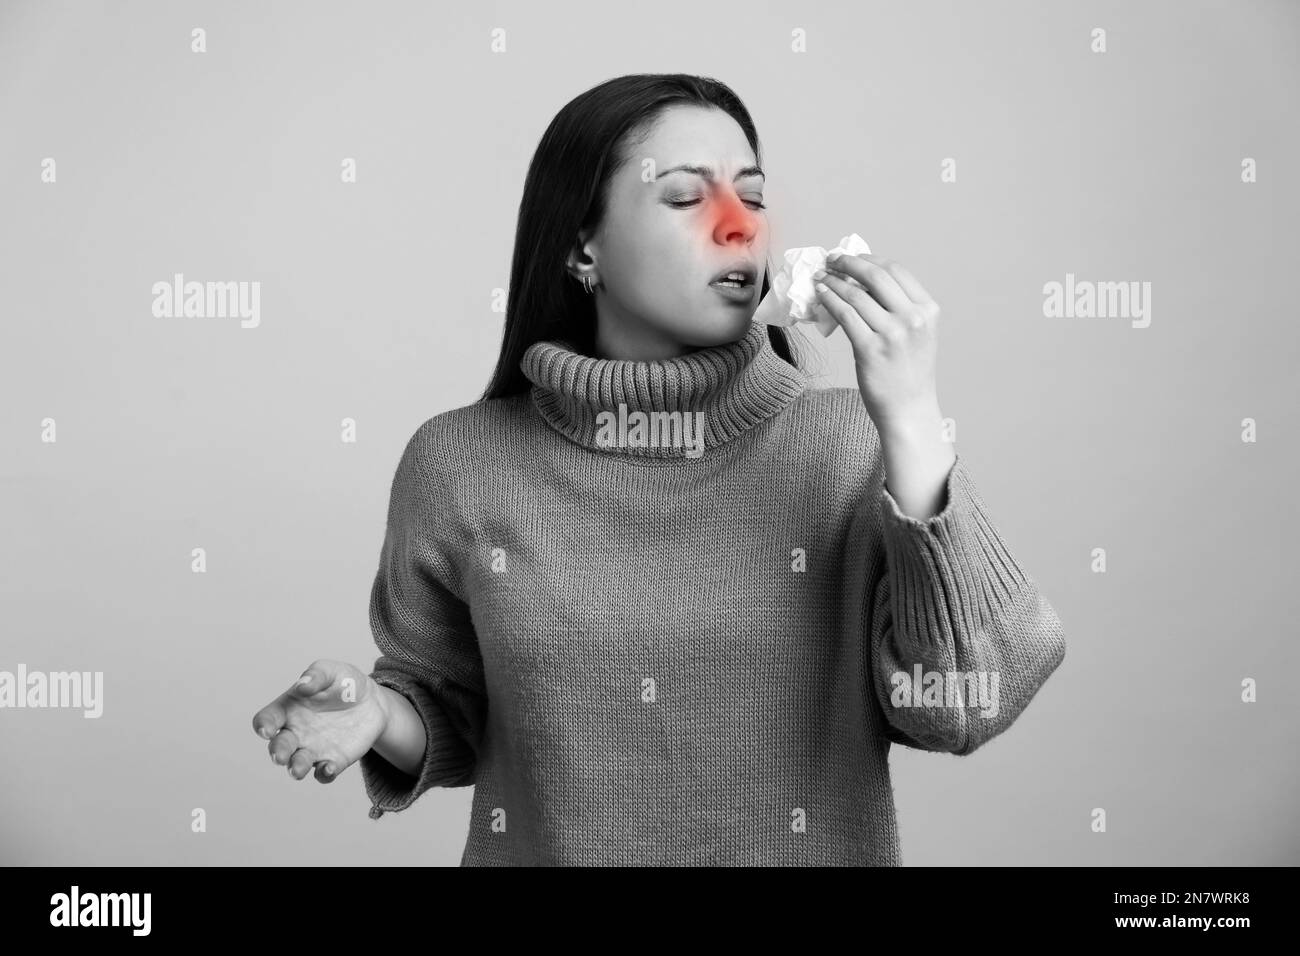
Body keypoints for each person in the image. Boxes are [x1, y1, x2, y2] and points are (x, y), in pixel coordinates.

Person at [250, 73, 1066, 866]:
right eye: (684, 197)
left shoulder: (850, 446)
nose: (739, 225)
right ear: (582, 248)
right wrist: (375, 714)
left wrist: (913, 418)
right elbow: (455, 711)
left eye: (752, 194)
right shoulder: (458, 463)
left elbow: (963, 705)